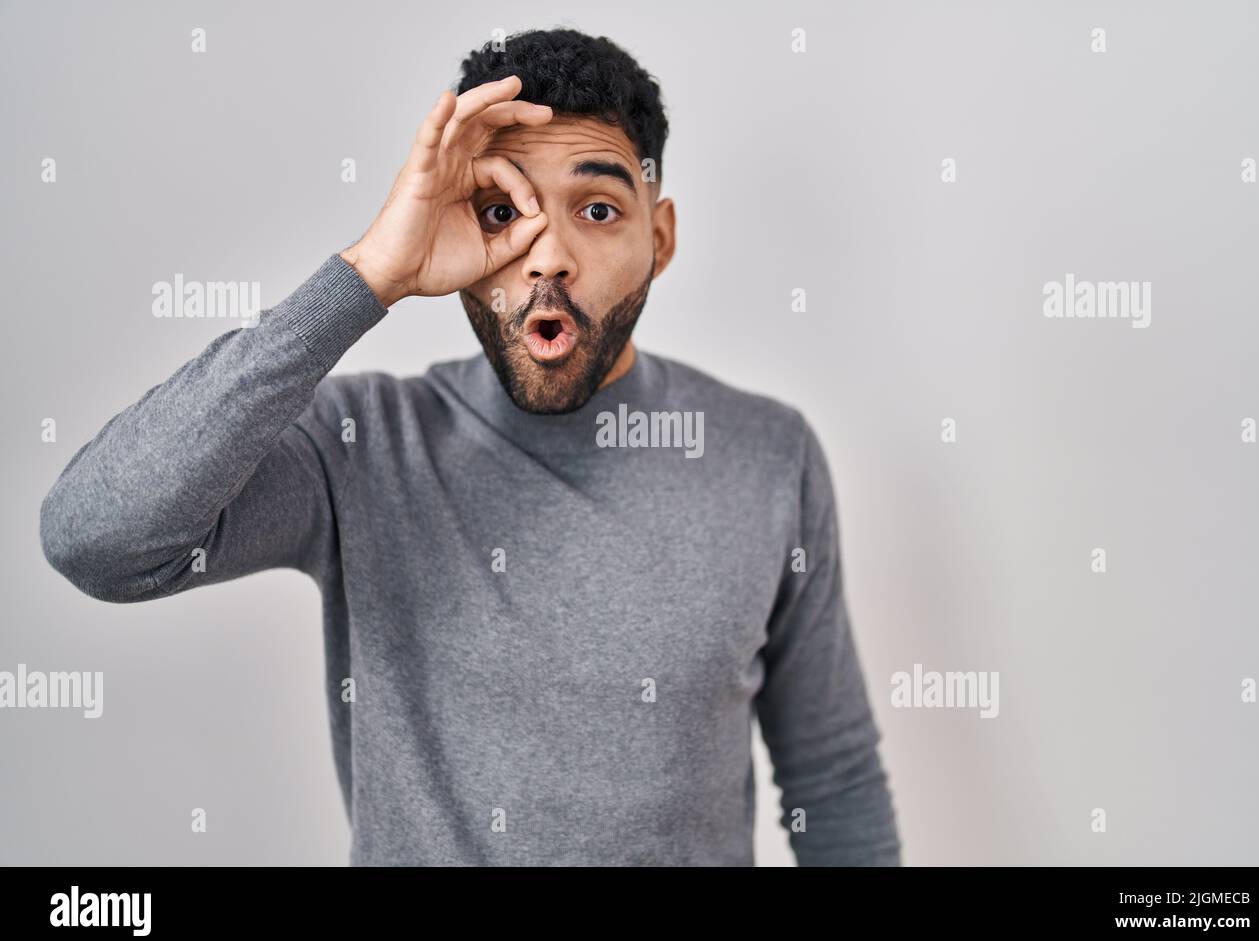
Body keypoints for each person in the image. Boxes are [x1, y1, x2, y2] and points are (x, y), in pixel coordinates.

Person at [39, 27, 901, 866]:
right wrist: (370, 273)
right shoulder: (362, 445)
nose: (548, 257)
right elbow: (97, 540)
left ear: (660, 239)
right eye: (501, 212)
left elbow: (831, 779)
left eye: (598, 210)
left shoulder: (768, 454)